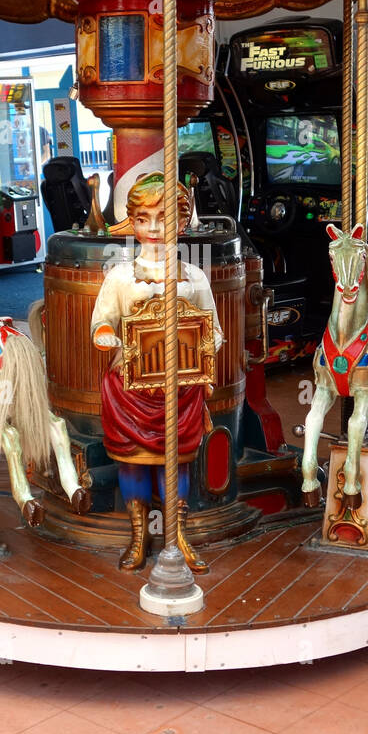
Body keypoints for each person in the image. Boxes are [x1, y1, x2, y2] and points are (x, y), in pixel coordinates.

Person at [90, 172, 223, 573]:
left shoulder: (194, 277)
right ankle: (137, 536)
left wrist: (203, 358)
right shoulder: (119, 276)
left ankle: (176, 536)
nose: (153, 228)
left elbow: (213, 330)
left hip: (180, 389)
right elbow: (102, 322)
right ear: (132, 221)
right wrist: (111, 337)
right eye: (144, 218)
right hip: (131, 389)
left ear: (181, 223)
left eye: (163, 218)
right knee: (132, 461)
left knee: (177, 463)